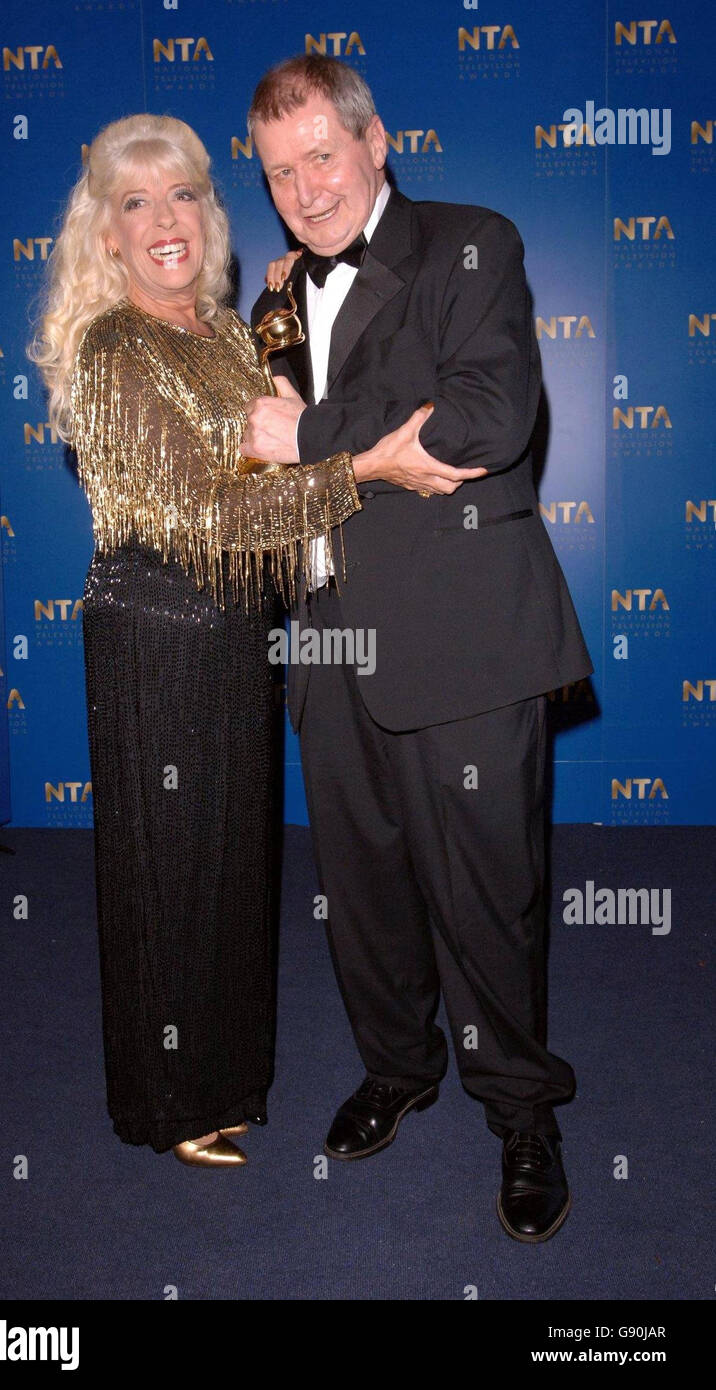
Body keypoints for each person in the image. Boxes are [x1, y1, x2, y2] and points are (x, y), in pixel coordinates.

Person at [27, 113, 446, 1169]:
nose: (164, 220)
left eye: (183, 197)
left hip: (236, 635)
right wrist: (368, 471)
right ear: (106, 234)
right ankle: (167, 1099)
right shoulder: (115, 345)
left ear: (206, 214)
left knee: (229, 866)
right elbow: (206, 518)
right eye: (136, 203)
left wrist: (278, 301)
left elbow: (274, 439)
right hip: (156, 640)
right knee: (167, 872)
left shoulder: (215, 327)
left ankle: (222, 1076)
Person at [243, 56, 594, 1239]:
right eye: (279, 173)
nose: (305, 189)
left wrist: (311, 434)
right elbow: (271, 466)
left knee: (486, 895)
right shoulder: (278, 300)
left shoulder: (470, 241)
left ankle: (519, 1109)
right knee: (363, 892)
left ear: (375, 140)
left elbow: (487, 418)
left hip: (463, 638)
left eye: (322, 158)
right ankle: (397, 1067)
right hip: (331, 638)